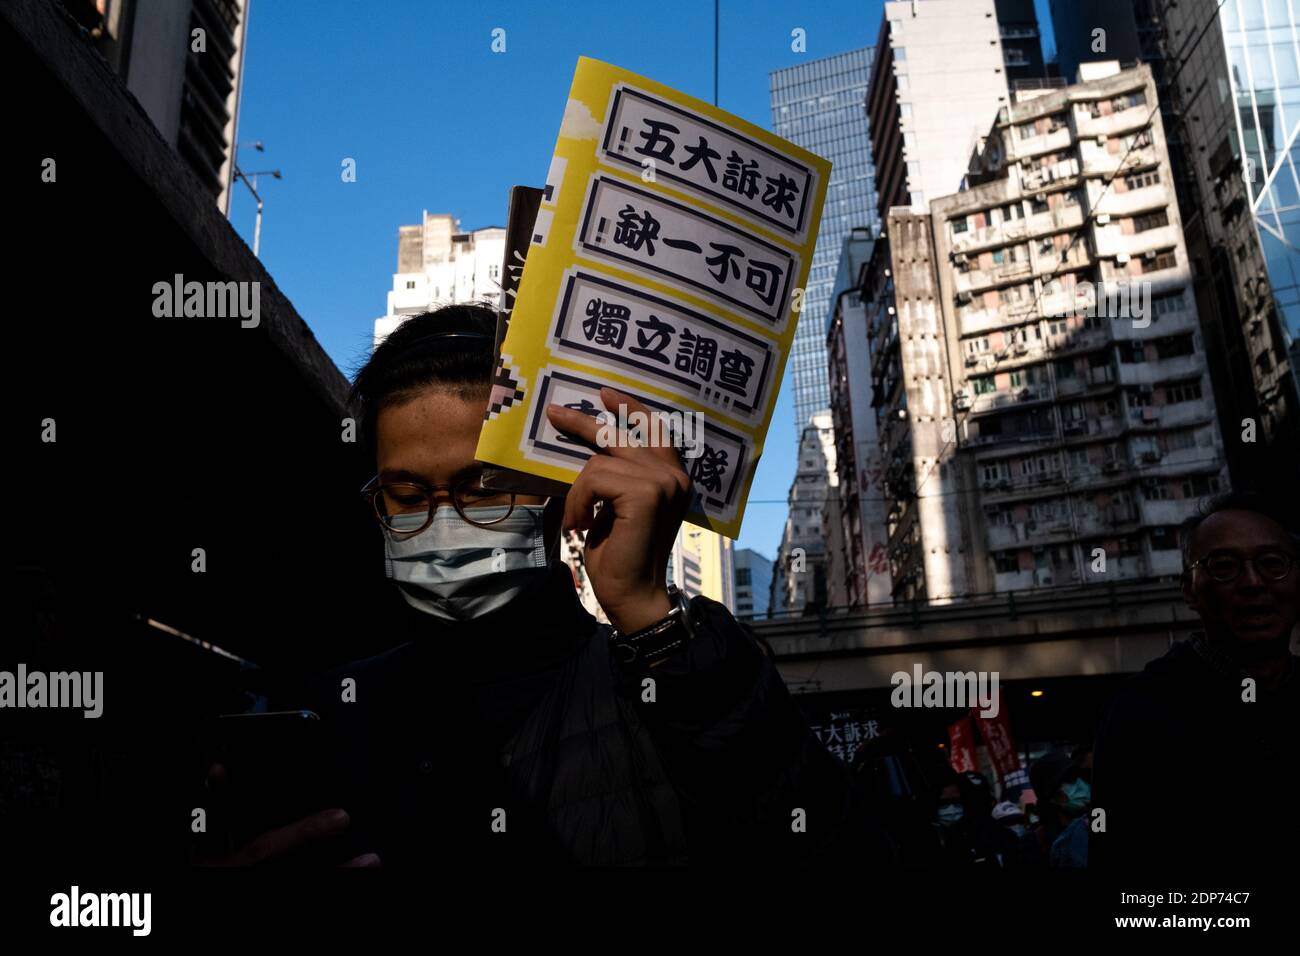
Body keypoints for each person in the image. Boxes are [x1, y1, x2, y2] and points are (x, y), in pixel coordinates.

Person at [196, 304, 882, 867]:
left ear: (557, 491)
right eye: (406, 493)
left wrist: (651, 615)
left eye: (484, 489)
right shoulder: (325, 714)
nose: (446, 521)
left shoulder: (671, 684)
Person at [1090, 492, 1300, 873]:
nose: (1253, 582)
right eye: (1224, 567)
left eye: (1272, 563)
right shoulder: (1139, 711)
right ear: (1189, 589)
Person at [1026, 746, 1090, 867]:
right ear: (1051, 795)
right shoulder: (1037, 842)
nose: (1081, 785)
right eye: (1071, 780)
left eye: (1081, 777)